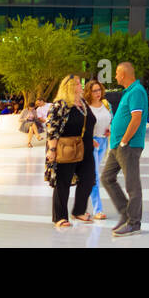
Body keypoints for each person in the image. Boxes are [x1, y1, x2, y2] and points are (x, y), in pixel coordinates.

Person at [99, 61, 147, 237]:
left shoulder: (136, 91)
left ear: (124, 74)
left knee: (132, 185)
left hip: (129, 146)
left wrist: (125, 140)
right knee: (106, 177)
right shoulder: (129, 92)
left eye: (117, 73)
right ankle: (126, 213)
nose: (115, 77)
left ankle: (134, 223)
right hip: (118, 146)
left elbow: (136, 118)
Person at [45, 75, 97, 228]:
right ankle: (59, 217)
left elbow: (87, 124)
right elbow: (52, 128)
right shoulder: (60, 105)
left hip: (85, 147)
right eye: (77, 84)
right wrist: (52, 149)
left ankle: (79, 211)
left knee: (88, 179)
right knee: (63, 181)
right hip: (66, 148)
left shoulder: (82, 103)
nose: (81, 86)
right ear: (69, 86)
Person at [84, 80, 111, 220]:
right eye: (94, 90)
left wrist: (109, 131)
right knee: (94, 176)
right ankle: (97, 210)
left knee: (91, 176)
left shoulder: (105, 104)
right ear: (89, 92)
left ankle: (81, 206)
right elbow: (83, 128)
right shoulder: (86, 107)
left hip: (103, 142)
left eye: (99, 90)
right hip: (91, 144)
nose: (97, 93)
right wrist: (90, 139)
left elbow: (108, 121)